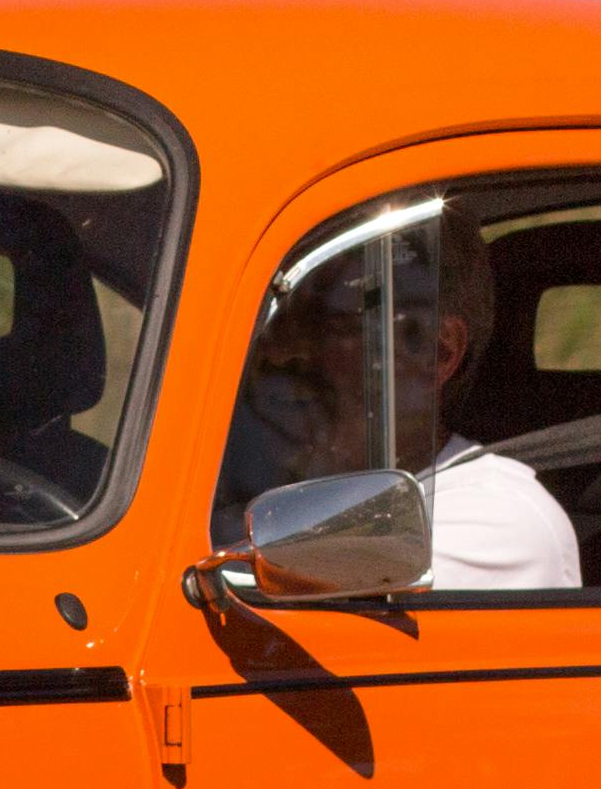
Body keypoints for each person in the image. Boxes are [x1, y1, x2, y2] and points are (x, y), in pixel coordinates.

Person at [218, 207, 580, 592]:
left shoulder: (497, 521)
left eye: (325, 325)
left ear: (435, 352)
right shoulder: (278, 490)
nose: (279, 352)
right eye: (270, 324)